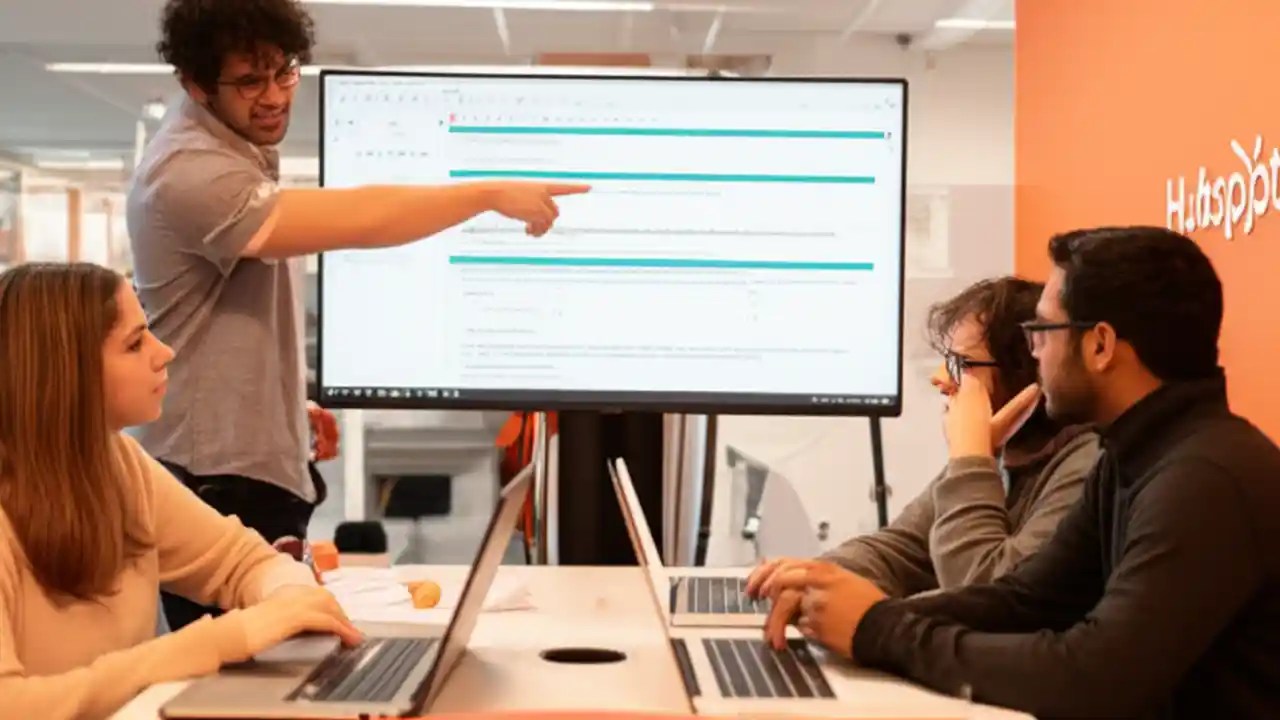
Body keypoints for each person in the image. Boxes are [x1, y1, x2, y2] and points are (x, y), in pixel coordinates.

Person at [126, 0, 589, 630]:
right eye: (249, 81)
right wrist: (484, 193)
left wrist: (281, 407)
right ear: (195, 85)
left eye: (283, 71)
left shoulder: (234, 147)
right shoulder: (189, 172)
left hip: (243, 468)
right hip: (214, 486)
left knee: (281, 667)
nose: (273, 96)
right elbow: (363, 220)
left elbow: (231, 314)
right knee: (241, 685)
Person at [758, 227, 1280, 719]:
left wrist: (876, 629)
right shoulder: (1137, 455)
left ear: (1100, 345)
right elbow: (1025, 600)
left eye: (1042, 331)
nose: (1033, 351)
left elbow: (1093, 676)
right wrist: (847, 605)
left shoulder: (1205, 479)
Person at [0, 263, 362, 720]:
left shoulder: (118, 464)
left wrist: (290, 600)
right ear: (64, 372)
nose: (164, 352)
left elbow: (240, 561)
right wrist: (223, 640)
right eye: (134, 344)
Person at [746, 277, 1098, 635]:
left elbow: (989, 597)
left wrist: (971, 457)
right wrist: (811, 580)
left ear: (1028, 374)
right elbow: (897, 551)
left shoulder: (1086, 465)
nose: (941, 379)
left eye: (963, 364)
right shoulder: (1004, 453)